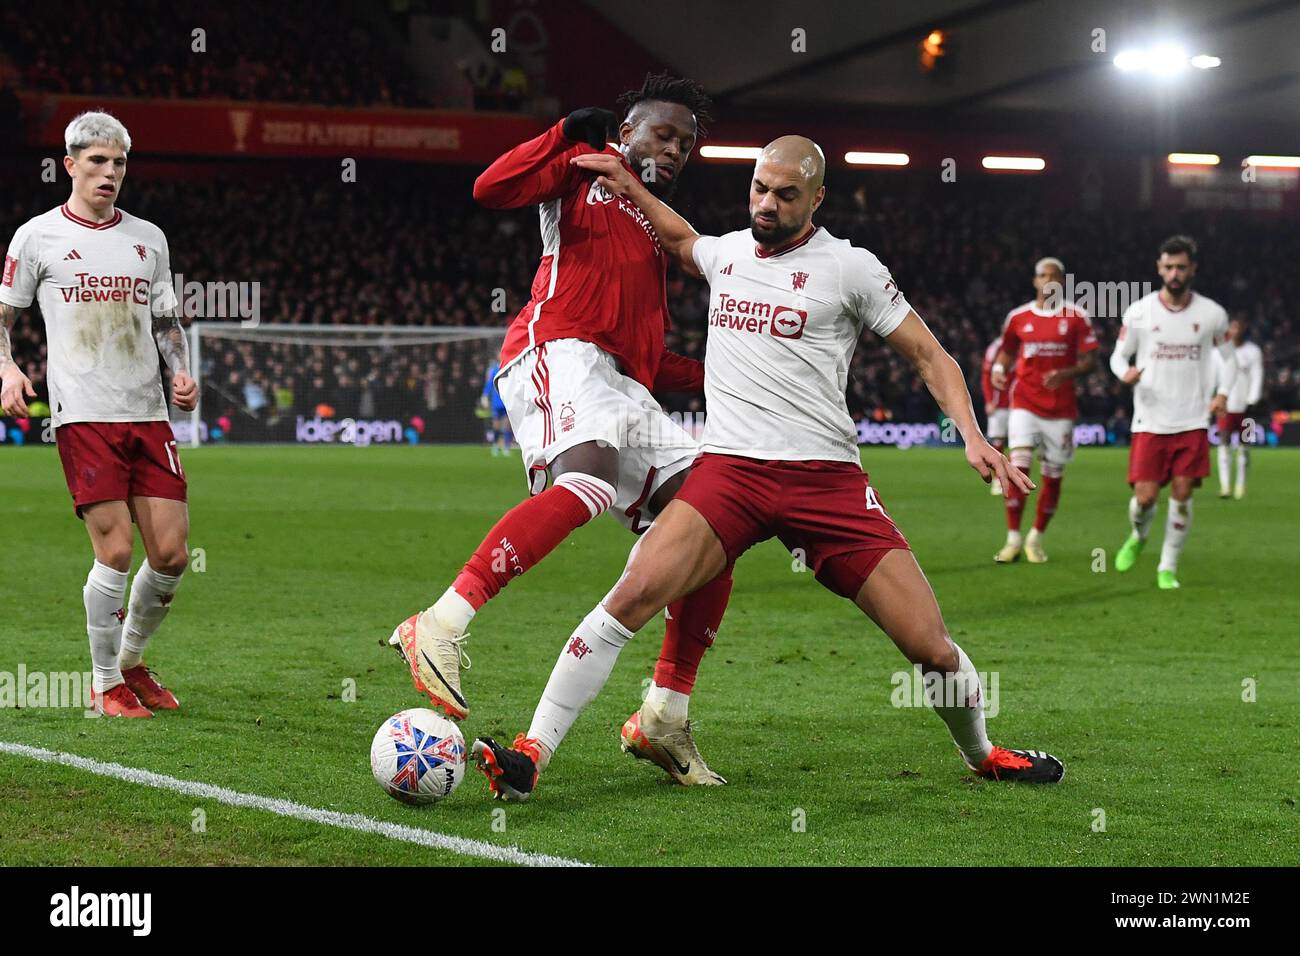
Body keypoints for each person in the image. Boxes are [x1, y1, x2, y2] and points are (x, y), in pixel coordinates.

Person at [470, 136, 1064, 801]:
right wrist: (627, 183)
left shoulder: (851, 268)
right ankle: (530, 755)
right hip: (731, 477)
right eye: (760, 189)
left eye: (786, 194)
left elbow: (931, 357)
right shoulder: (725, 254)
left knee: (929, 646)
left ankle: (983, 753)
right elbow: (678, 237)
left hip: (826, 483)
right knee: (630, 597)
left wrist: (973, 435)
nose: (768, 204)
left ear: (816, 198)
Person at [390, 74, 732, 784]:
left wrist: (727, 368)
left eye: (686, 143)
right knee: (588, 484)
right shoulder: (587, 170)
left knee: (714, 522)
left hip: (620, 381)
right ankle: (443, 622)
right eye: (662, 133)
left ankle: (666, 712)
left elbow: (645, 357)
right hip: (558, 350)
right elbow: (490, 188)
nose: (674, 149)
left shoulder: (651, 223)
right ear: (628, 129)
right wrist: (563, 132)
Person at [0, 111, 195, 717]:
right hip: (83, 412)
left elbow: (166, 321)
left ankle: (132, 661)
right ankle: (104, 680)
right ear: (71, 165)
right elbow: (3, 316)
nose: (110, 174)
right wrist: (7, 369)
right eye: (98, 162)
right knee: (114, 551)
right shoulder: (37, 237)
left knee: (170, 555)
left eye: (119, 164)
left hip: (147, 412)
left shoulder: (149, 238)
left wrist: (181, 369)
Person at [1110, 235, 1236, 589]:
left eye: (1181, 267)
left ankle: (1167, 566)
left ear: (1193, 268)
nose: (1175, 273)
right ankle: (1138, 536)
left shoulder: (1212, 314)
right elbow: (1118, 356)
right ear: (1159, 268)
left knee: (1182, 493)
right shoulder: (1139, 312)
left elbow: (1229, 361)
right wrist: (1125, 373)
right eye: (1169, 267)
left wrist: (1223, 393)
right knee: (1145, 498)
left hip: (1193, 419)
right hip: (1150, 419)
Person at [989, 258, 1098, 564]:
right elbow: (1008, 350)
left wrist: (1067, 374)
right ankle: (1012, 539)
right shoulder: (1018, 317)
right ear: (1035, 281)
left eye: (1054, 276)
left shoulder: (1076, 317)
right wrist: (999, 368)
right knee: (1018, 468)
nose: (1048, 280)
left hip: (1061, 409)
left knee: (1053, 477)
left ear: (1062, 281)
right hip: (1024, 401)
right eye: (1042, 275)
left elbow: (1091, 359)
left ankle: (1035, 538)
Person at [1212, 317, 1263, 499]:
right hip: (1226, 406)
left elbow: (1257, 376)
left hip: (1246, 407)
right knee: (1223, 443)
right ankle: (1225, 486)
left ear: (1243, 329)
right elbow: (1213, 376)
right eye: (1232, 327)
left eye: (1238, 327)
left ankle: (1241, 486)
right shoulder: (1219, 352)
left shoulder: (1253, 352)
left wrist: (1252, 400)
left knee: (1245, 446)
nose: (1235, 330)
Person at [980, 332, 1013, 495]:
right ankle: (997, 480)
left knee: (1018, 444)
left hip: (1020, 404)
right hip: (999, 404)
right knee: (997, 442)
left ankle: (1014, 479)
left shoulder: (1026, 345)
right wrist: (988, 400)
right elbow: (986, 375)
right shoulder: (995, 348)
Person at [479, 359, 511, 456]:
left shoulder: (509, 369)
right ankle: (495, 446)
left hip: (506, 402)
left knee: (507, 425)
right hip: (496, 403)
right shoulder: (494, 370)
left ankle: (506, 447)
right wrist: (485, 396)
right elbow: (489, 384)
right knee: (496, 425)